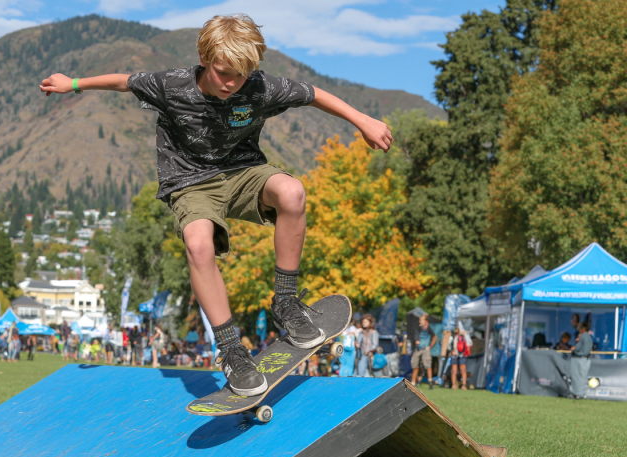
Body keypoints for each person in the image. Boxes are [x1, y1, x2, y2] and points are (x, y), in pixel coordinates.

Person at [39, 14, 392, 396]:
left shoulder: (259, 87)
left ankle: (287, 303)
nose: (230, 84)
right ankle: (231, 350)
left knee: (292, 192)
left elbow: (315, 94)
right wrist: (72, 84)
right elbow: (123, 81)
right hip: (189, 182)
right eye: (223, 73)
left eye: (239, 76)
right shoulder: (170, 84)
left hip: (243, 173)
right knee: (199, 244)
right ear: (205, 58)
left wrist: (363, 120)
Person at [411, 314, 437, 390]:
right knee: (415, 365)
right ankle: (413, 383)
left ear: (426, 321)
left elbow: (434, 337)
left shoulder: (429, 328)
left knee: (428, 366)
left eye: (421, 320)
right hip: (418, 349)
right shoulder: (417, 328)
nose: (420, 321)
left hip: (425, 349)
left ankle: (430, 383)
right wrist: (415, 341)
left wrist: (430, 346)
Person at [569, 321, 593, 399]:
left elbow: (581, 349)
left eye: (580, 328)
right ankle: (580, 393)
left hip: (579, 359)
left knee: (577, 376)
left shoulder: (584, 336)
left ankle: (576, 393)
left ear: (583, 328)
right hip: (585, 359)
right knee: (582, 377)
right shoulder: (588, 337)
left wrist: (574, 350)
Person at [450, 325, 470, 390]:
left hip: (462, 354)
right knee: (454, 370)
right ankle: (454, 385)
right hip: (454, 355)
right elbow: (449, 344)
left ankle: (464, 385)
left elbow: (470, 343)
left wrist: (465, 335)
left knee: (463, 370)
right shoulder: (452, 336)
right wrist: (451, 351)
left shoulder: (464, 335)